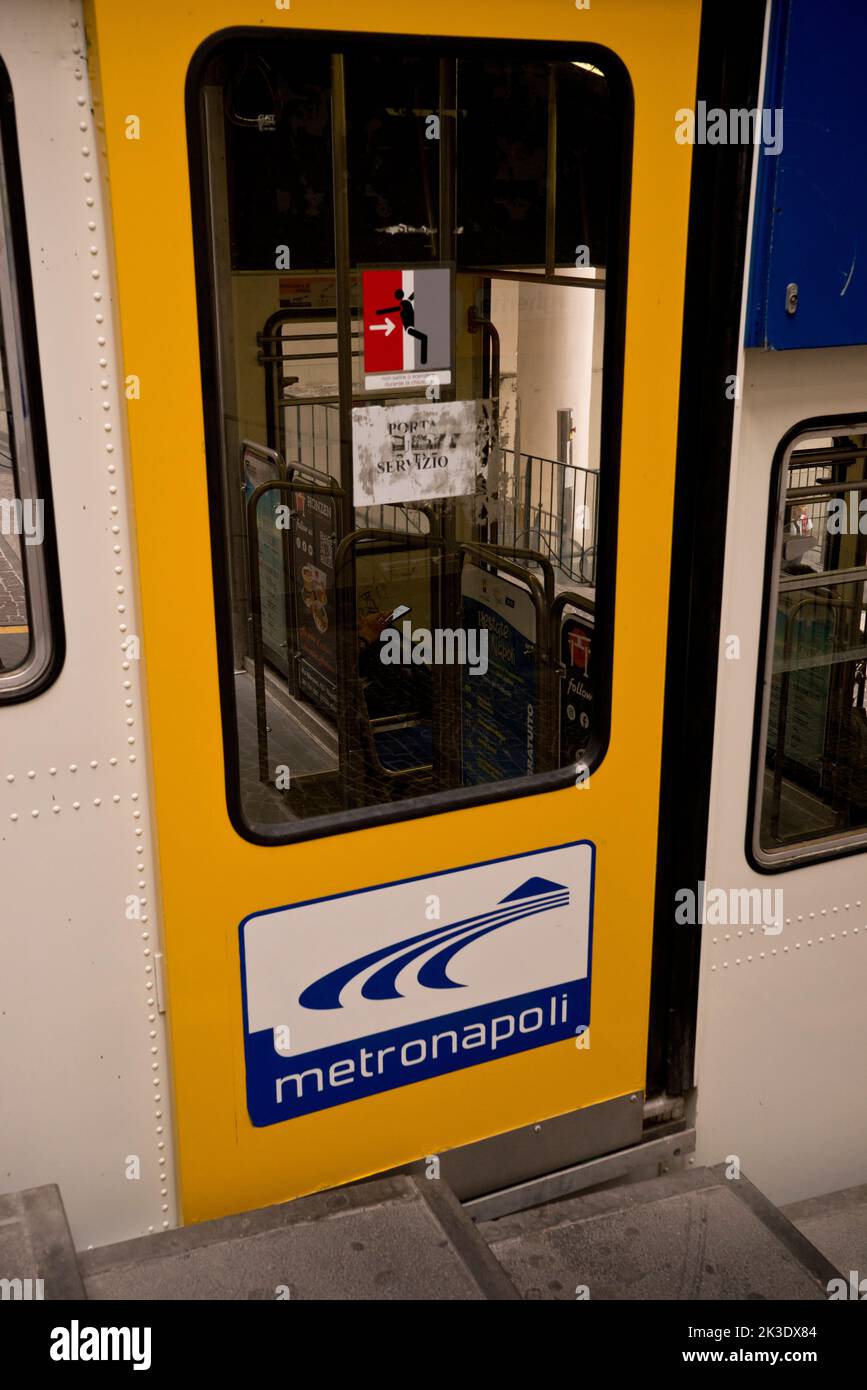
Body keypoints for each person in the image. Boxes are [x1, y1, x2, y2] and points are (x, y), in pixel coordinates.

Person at [377, 288, 428, 365]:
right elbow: (413, 295)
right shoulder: (406, 302)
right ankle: (423, 361)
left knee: (424, 337)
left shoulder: (404, 304)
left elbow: (392, 309)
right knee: (424, 338)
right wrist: (379, 312)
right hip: (411, 328)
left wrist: (379, 312)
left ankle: (423, 361)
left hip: (411, 327)